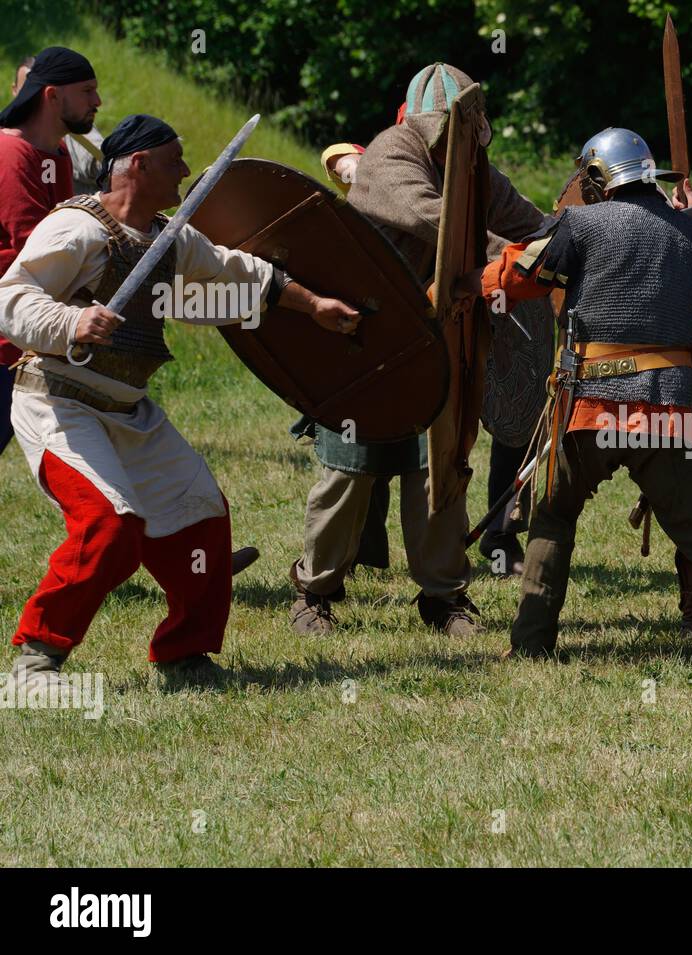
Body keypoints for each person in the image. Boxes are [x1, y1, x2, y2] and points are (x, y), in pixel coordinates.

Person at [0, 114, 360, 692]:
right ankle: (36, 660)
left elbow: (237, 272)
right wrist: (71, 319)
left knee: (203, 516)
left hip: (129, 410)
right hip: (60, 404)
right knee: (107, 527)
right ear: (138, 165)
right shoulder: (75, 230)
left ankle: (185, 655)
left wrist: (312, 304)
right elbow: (12, 298)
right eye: (174, 161)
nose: (187, 173)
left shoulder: (172, 238)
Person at [458, 127, 692, 679]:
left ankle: (530, 644)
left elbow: (520, 275)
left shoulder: (583, 223)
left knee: (552, 520)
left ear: (598, 179)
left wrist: (468, 282)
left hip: (591, 404)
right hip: (668, 410)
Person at [288, 63, 547, 636]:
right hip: (364, 338)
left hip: (437, 339)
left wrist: (584, 237)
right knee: (349, 474)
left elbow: (531, 223)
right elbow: (441, 223)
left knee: (440, 467)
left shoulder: (474, 166)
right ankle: (316, 588)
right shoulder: (389, 155)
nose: (453, 143)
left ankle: (443, 597)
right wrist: (526, 260)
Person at [0, 47, 98, 457]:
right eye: (88, 91)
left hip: (26, 335)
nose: (97, 102)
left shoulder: (55, 154)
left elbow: (61, 234)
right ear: (53, 96)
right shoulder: (9, 154)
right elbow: (36, 249)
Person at [11, 54, 102, 195]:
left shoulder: (69, 126)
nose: (32, 97)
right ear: (14, 91)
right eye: (26, 90)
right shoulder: (9, 141)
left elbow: (101, 159)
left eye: (37, 90)